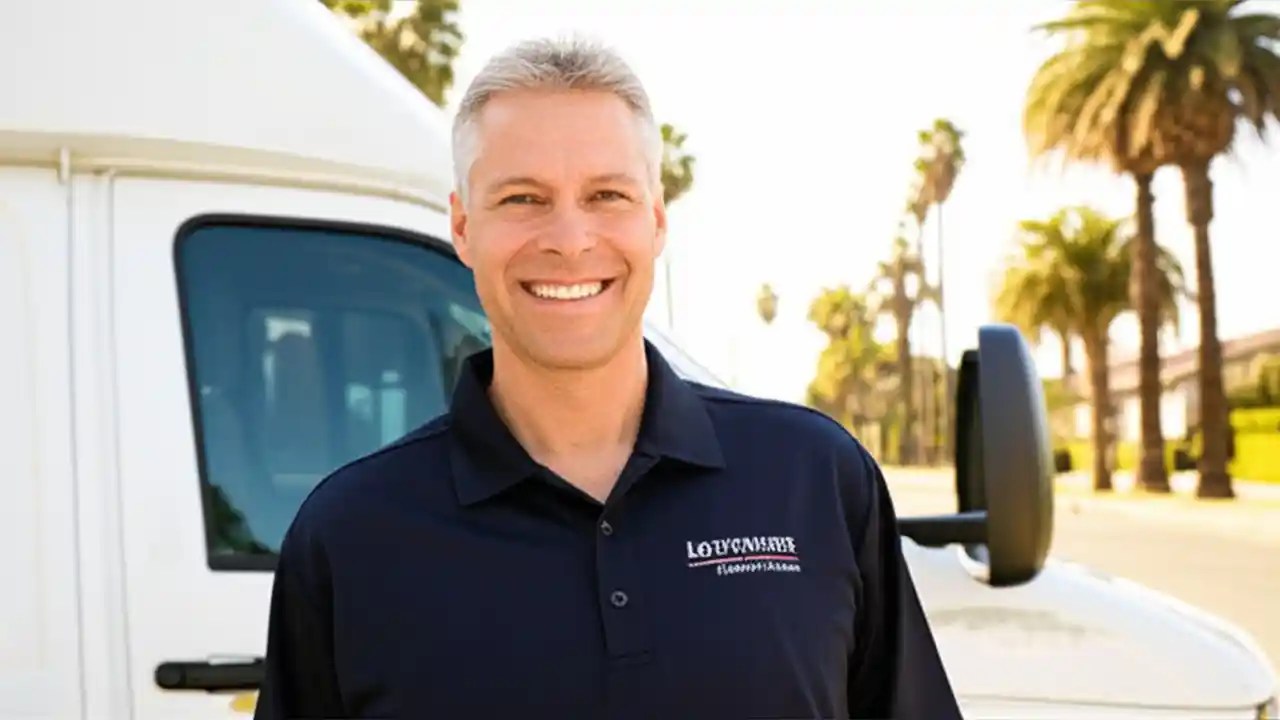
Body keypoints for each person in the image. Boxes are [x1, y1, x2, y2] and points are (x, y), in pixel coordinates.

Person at [254, 35, 962, 720]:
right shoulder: (349, 536)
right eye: (523, 199)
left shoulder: (814, 480)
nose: (568, 239)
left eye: (607, 196)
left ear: (655, 222)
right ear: (463, 227)